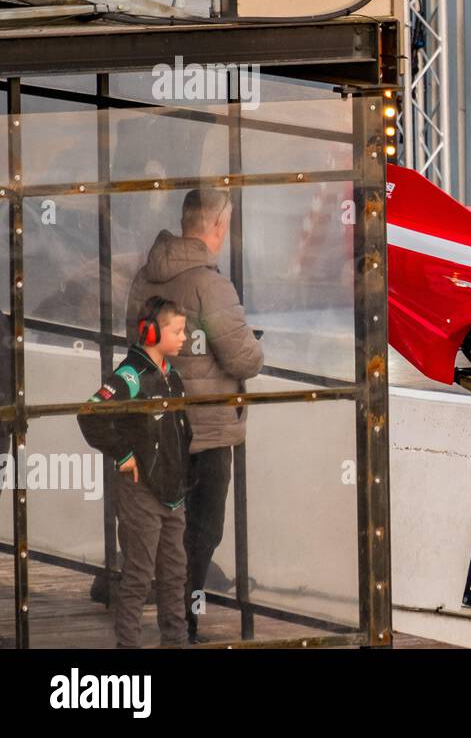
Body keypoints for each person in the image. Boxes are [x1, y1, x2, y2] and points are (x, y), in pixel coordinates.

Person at [126, 188, 264, 643]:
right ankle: (181, 624)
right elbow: (244, 359)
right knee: (202, 532)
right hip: (204, 432)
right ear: (218, 226)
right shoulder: (210, 284)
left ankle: (170, 622)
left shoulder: (146, 277)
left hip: (156, 428)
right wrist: (254, 346)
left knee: (166, 529)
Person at [78, 297, 191, 648]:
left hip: (172, 492)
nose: (185, 337)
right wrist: (123, 453)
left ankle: (176, 639)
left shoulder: (172, 376)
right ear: (152, 332)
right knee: (139, 576)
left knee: (174, 574)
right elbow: (89, 414)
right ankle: (128, 644)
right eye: (177, 330)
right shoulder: (130, 375)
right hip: (141, 491)